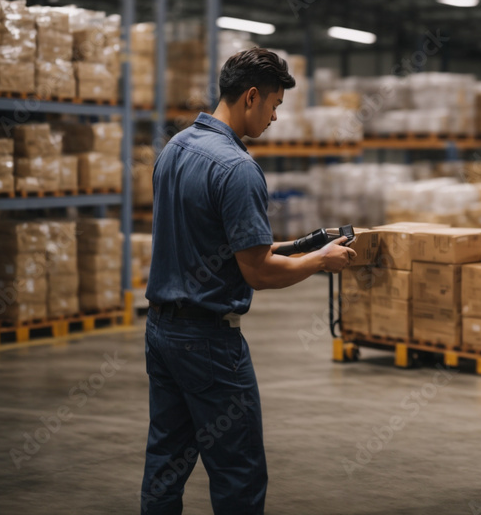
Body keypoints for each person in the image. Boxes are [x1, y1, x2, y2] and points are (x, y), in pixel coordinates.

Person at [141, 48, 356, 514]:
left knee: (166, 462)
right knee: (238, 472)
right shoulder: (238, 168)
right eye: (275, 106)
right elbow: (256, 272)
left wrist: (294, 247)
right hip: (209, 345)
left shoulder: (174, 149)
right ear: (251, 97)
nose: (275, 117)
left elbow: (204, 243)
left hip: (162, 333)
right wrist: (321, 262)